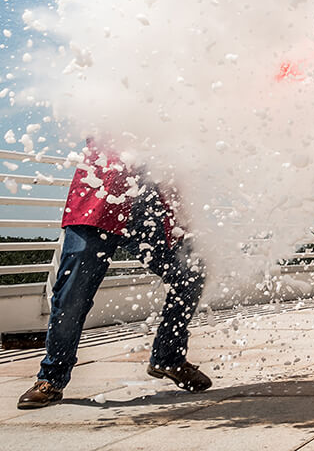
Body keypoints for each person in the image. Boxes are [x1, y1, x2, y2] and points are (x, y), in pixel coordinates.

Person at [18, 138, 211, 409]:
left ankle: (168, 357)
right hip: (98, 197)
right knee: (73, 293)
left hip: (152, 202)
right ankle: (51, 378)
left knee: (192, 271)